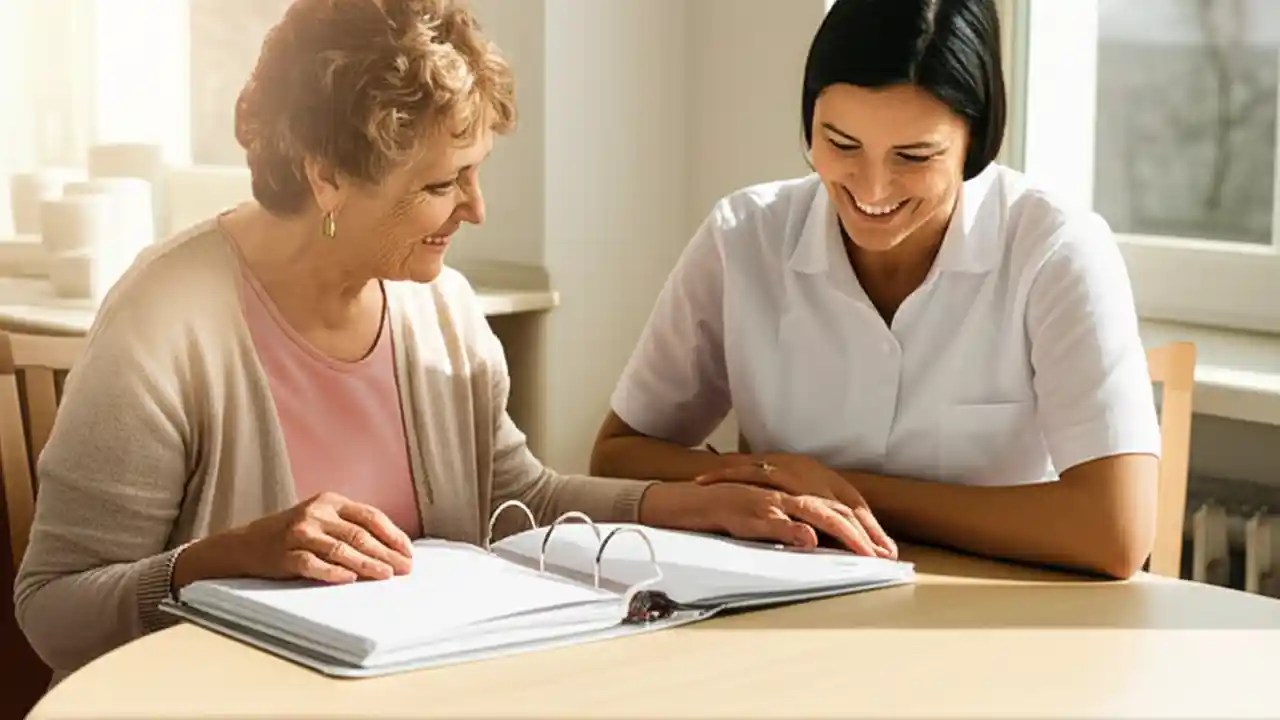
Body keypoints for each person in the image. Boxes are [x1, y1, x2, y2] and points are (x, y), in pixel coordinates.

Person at [15, 0, 863, 681]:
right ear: (326, 174)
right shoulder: (165, 326)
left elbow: (510, 498)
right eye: (441, 182)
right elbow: (52, 610)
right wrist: (217, 561)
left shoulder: (443, 313)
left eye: (477, 171)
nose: (477, 208)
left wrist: (691, 504)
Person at [591, 0, 1161, 579]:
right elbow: (616, 457)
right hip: (785, 612)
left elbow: (1115, 532)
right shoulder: (745, 237)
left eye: (914, 156)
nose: (872, 186)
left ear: (977, 143)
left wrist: (836, 495)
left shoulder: (1056, 250)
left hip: (995, 622)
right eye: (840, 144)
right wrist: (769, 478)